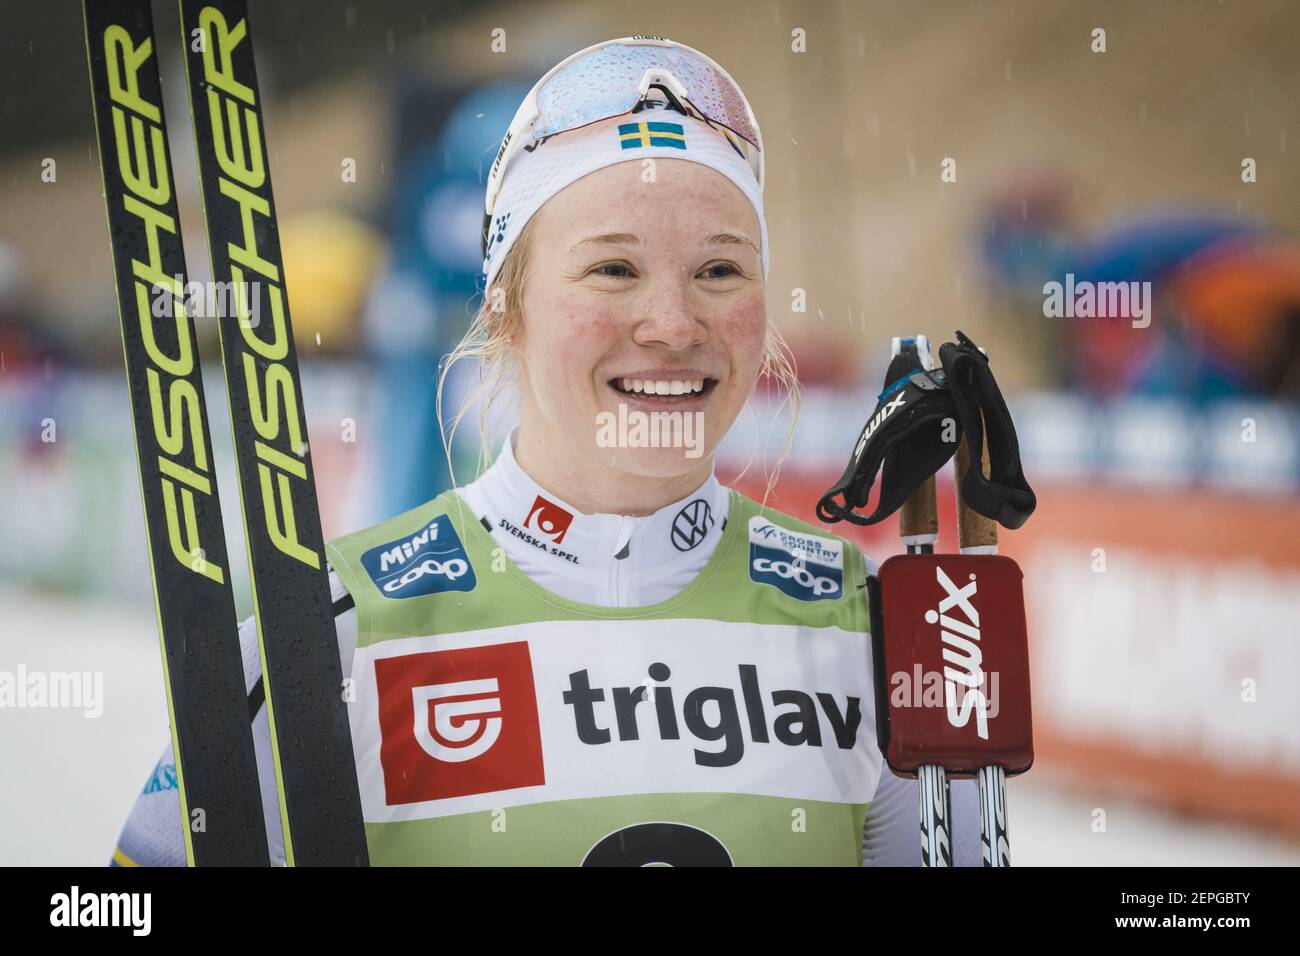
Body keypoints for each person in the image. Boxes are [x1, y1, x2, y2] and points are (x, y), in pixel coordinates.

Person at [112, 35, 979, 867]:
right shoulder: (331, 637)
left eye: (720, 270)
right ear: (505, 307)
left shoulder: (868, 627)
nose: (673, 325)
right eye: (613, 270)